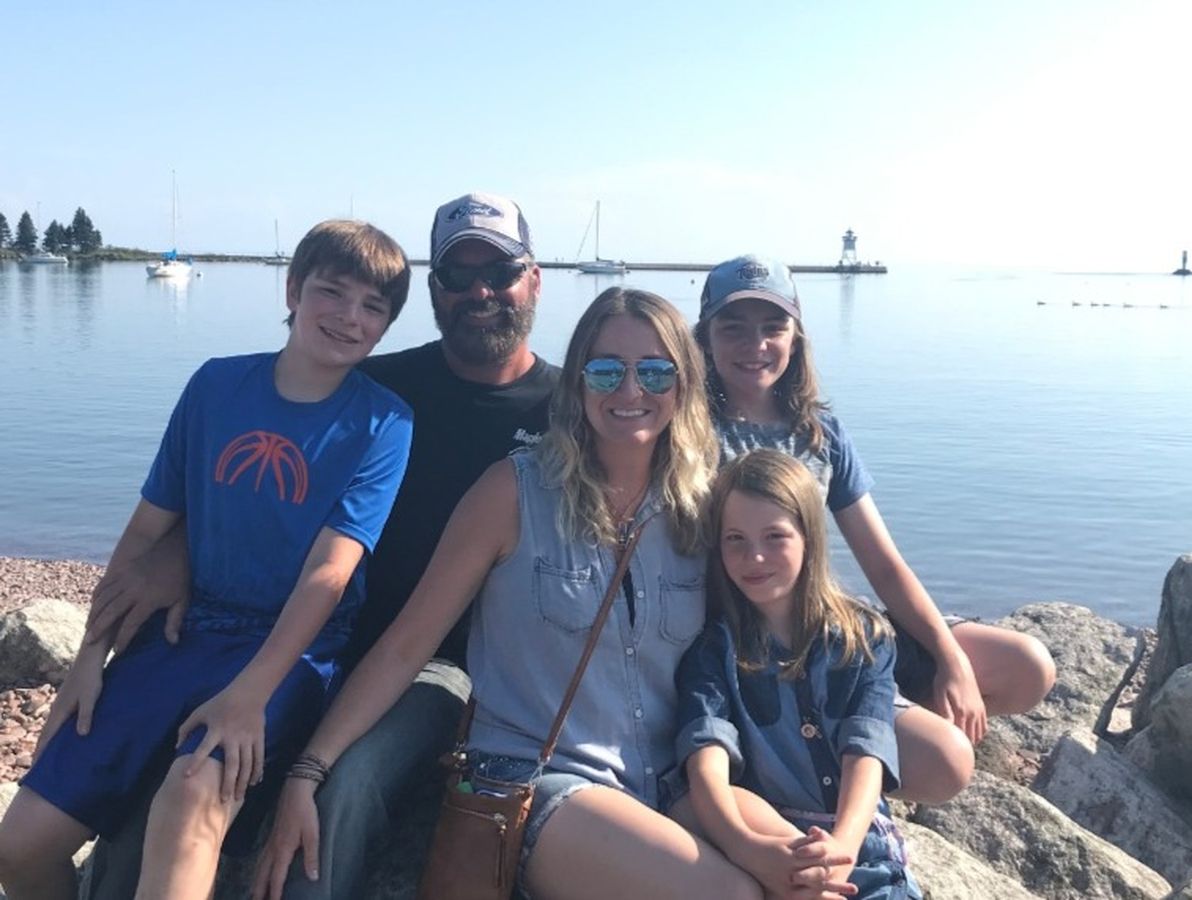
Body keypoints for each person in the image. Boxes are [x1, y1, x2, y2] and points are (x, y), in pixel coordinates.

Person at [77, 191, 559, 900]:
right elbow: (258, 484)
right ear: (434, 291)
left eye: (501, 272)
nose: (480, 292)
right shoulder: (380, 391)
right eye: (459, 276)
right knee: (167, 777)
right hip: (316, 640)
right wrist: (177, 556)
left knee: (346, 784)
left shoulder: (568, 411)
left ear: (534, 280)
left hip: (445, 665)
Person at [255, 288, 804, 900]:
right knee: (732, 895)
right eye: (606, 370)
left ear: (684, 383)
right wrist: (310, 769)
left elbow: (765, 631)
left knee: (810, 881)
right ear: (578, 382)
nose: (630, 390)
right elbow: (406, 646)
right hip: (536, 782)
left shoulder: (701, 508)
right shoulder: (512, 493)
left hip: (669, 779)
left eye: (655, 371)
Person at [0, 220, 415, 900]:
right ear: (292, 290)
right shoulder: (216, 387)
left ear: (386, 326)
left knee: (192, 793)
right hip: (181, 633)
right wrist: (88, 660)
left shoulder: (384, 423)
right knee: (19, 846)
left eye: (373, 306)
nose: (349, 316)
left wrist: (251, 695)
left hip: (291, 653)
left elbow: (329, 573)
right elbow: (145, 534)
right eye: (332, 292)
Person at [693, 254, 1056, 803]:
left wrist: (950, 659)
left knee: (1028, 667)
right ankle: (807, 762)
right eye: (733, 328)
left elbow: (883, 564)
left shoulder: (820, 433)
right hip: (755, 645)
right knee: (946, 762)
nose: (756, 345)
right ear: (704, 338)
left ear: (796, 337)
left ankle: (847, 734)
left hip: (831, 623)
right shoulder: (687, 432)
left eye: (773, 327)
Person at [675, 449, 921, 900]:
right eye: (735, 539)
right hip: (773, 845)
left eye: (775, 536)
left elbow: (866, 751)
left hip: (861, 846)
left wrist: (842, 848)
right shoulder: (713, 651)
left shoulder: (863, 637)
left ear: (808, 536)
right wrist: (744, 845)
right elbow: (707, 760)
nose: (755, 556)